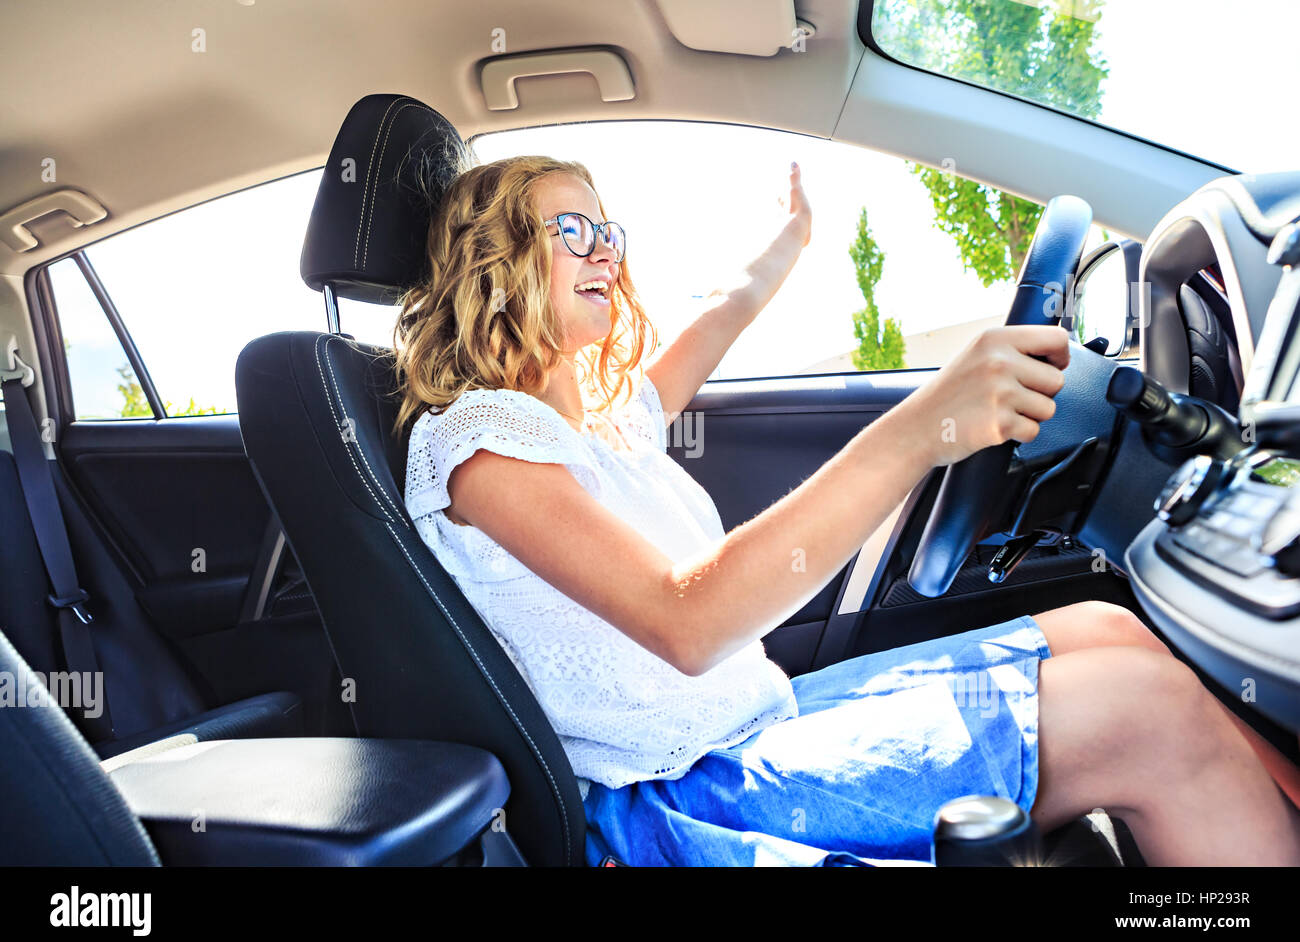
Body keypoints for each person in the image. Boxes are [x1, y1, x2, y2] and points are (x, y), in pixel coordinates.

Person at [394, 153, 1300, 866]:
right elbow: (687, 621)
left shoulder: (603, 425)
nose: (605, 249)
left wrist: (792, 241)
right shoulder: (481, 439)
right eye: (573, 227)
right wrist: (919, 432)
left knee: (1109, 628)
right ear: (497, 259)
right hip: (681, 800)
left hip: (756, 722)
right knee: (1148, 713)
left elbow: (723, 315)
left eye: (610, 229)